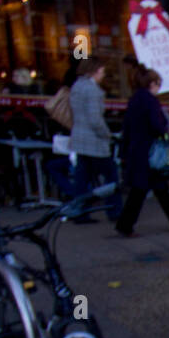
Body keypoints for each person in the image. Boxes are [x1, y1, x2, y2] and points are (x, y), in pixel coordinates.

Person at [115, 65, 169, 236]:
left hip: (138, 150)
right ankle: (126, 224)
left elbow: (128, 127)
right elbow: (156, 125)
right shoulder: (150, 101)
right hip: (149, 151)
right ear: (152, 84)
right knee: (147, 190)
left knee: (153, 189)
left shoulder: (135, 100)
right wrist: (165, 132)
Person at [68, 57, 122, 221]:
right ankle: (114, 210)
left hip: (80, 138)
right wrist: (107, 134)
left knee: (82, 179)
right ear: (96, 70)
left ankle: (79, 211)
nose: (104, 75)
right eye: (103, 71)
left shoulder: (77, 86)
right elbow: (95, 119)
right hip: (94, 141)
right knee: (110, 176)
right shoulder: (92, 90)